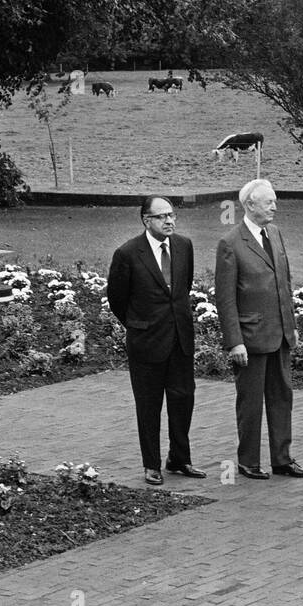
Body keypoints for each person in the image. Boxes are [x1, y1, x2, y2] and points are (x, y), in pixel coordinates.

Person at [214, 178, 303, 479]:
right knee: (251, 403)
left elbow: (284, 282)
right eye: (268, 201)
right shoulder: (230, 243)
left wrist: (292, 326)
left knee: (282, 398)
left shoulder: (275, 233)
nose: (274, 205)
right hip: (251, 337)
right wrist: (235, 342)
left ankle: (282, 459)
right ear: (249, 205)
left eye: (274, 200)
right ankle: (248, 462)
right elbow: (225, 297)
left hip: (280, 334)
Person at [106, 195, 206, 484]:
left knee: (183, 399)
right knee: (149, 405)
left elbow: (182, 289)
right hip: (146, 343)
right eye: (162, 216)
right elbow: (117, 299)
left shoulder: (184, 246)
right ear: (146, 220)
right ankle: (151, 464)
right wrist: (139, 325)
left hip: (179, 340)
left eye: (172, 215)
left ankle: (179, 459)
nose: (169, 221)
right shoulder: (127, 254)